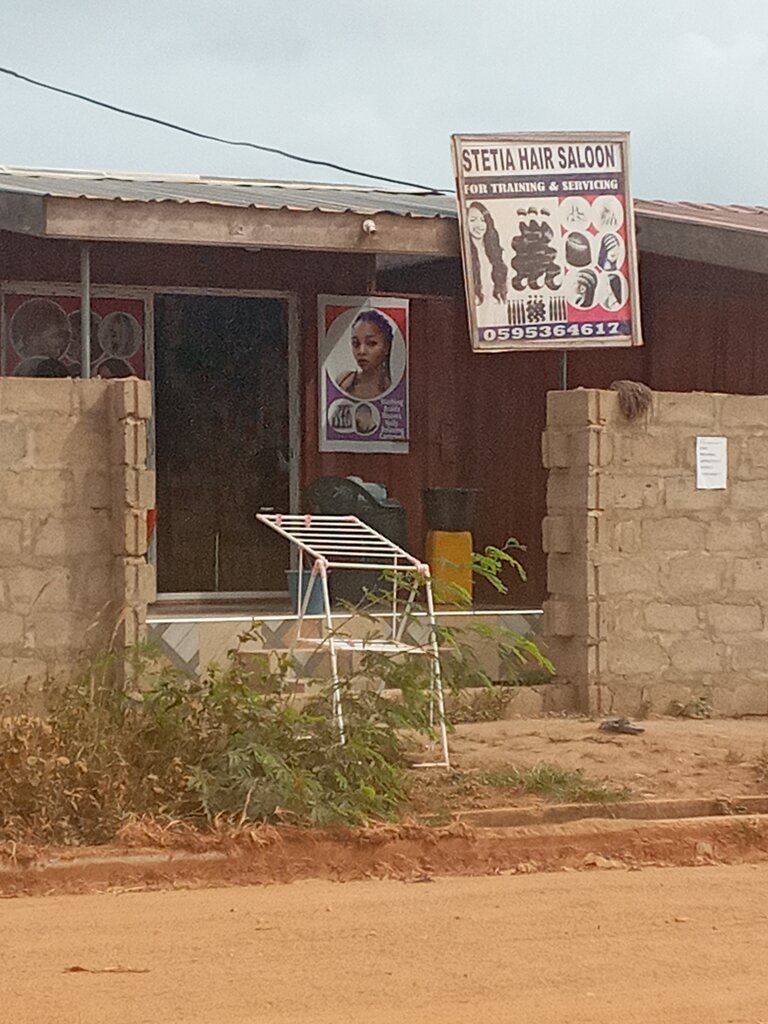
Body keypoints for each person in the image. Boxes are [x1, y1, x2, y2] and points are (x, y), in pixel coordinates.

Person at [336, 309, 393, 400]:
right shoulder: (344, 380)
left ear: (386, 347)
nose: (361, 351)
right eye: (356, 344)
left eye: (371, 343)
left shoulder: (392, 387)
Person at [466, 202, 508, 320]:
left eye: (483, 220)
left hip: (496, 312)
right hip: (478, 313)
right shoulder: (468, 253)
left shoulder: (495, 252)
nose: (479, 225)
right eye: (473, 220)